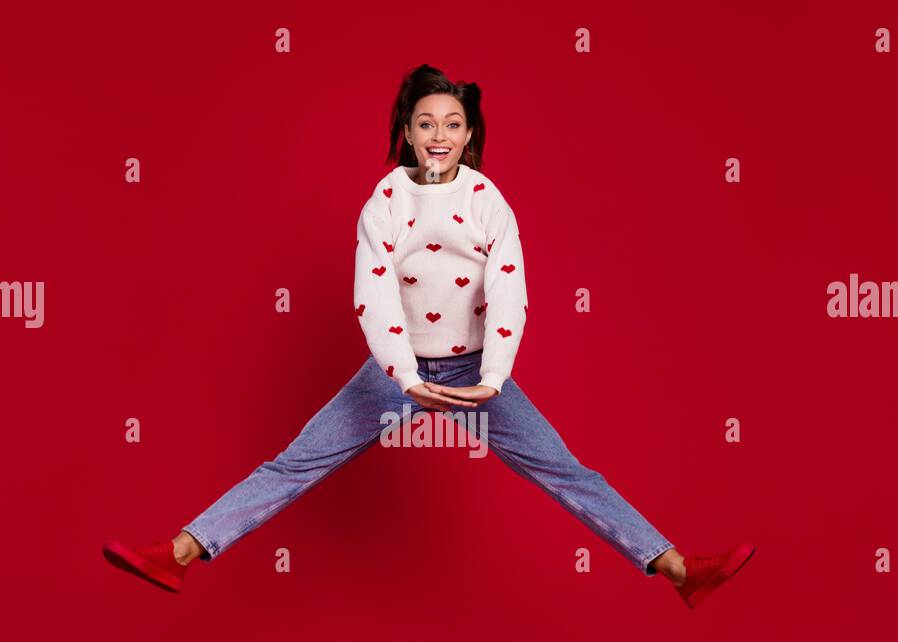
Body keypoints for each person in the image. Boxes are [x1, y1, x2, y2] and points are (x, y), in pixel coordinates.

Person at [103, 64, 754, 609]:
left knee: (566, 472)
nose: (438, 135)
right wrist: (406, 379)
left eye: (451, 124)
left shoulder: (487, 201)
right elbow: (374, 293)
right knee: (295, 463)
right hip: (398, 372)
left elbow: (508, 292)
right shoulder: (385, 202)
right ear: (408, 133)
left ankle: (677, 571)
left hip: (474, 372)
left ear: (468, 134)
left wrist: (492, 379)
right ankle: (180, 554)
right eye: (425, 123)